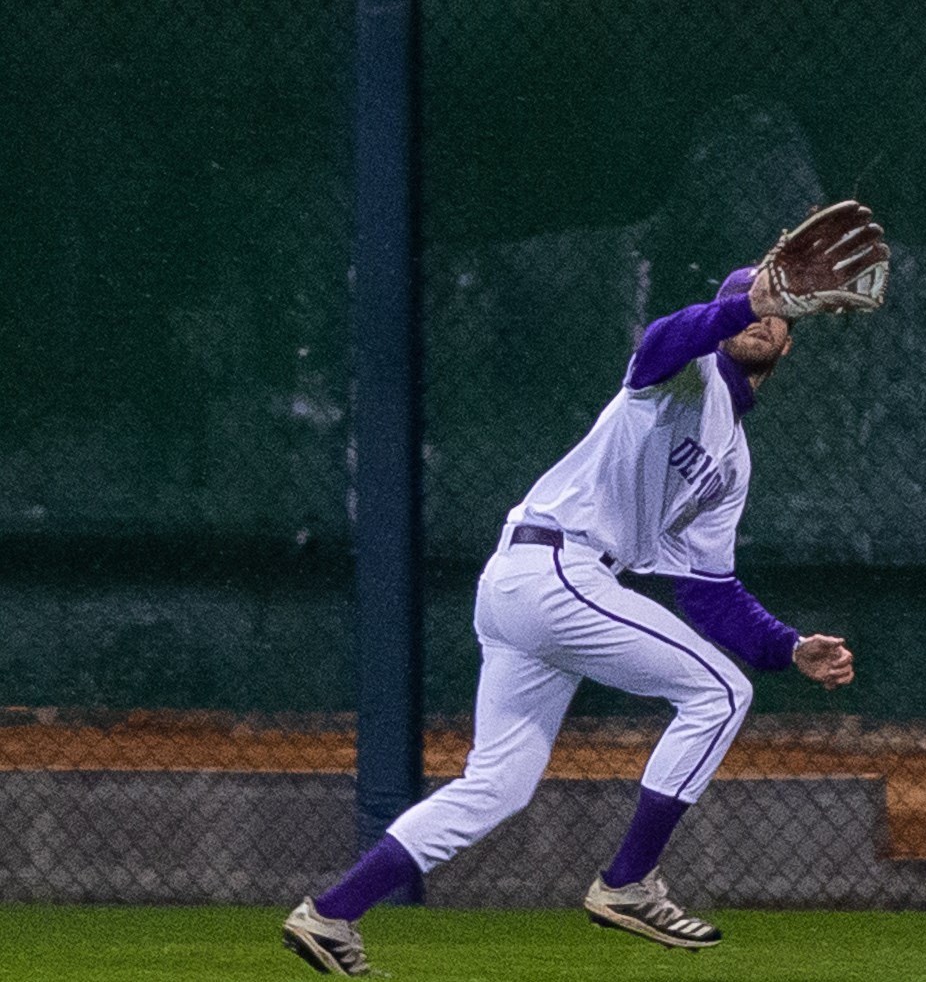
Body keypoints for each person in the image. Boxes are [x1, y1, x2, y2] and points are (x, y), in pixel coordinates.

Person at [281, 203, 889, 976]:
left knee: (498, 786)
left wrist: (789, 647)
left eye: (777, 310)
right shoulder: (685, 370)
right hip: (555, 568)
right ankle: (629, 880)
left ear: (791, 340)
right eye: (746, 299)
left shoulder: (733, 462)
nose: (761, 313)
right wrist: (749, 299)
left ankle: (331, 914)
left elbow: (708, 592)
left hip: (533, 588)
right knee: (719, 693)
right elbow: (665, 336)